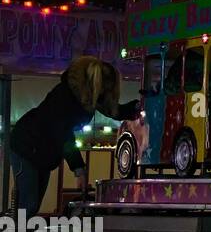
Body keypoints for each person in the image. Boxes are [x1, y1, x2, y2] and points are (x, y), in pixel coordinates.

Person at [9, 56, 141, 216]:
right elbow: (64, 134)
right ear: (99, 84)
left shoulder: (88, 95)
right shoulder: (65, 97)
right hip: (26, 146)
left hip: (41, 153)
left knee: (32, 204)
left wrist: (136, 107)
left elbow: (113, 110)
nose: (107, 94)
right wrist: (79, 169)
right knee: (28, 204)